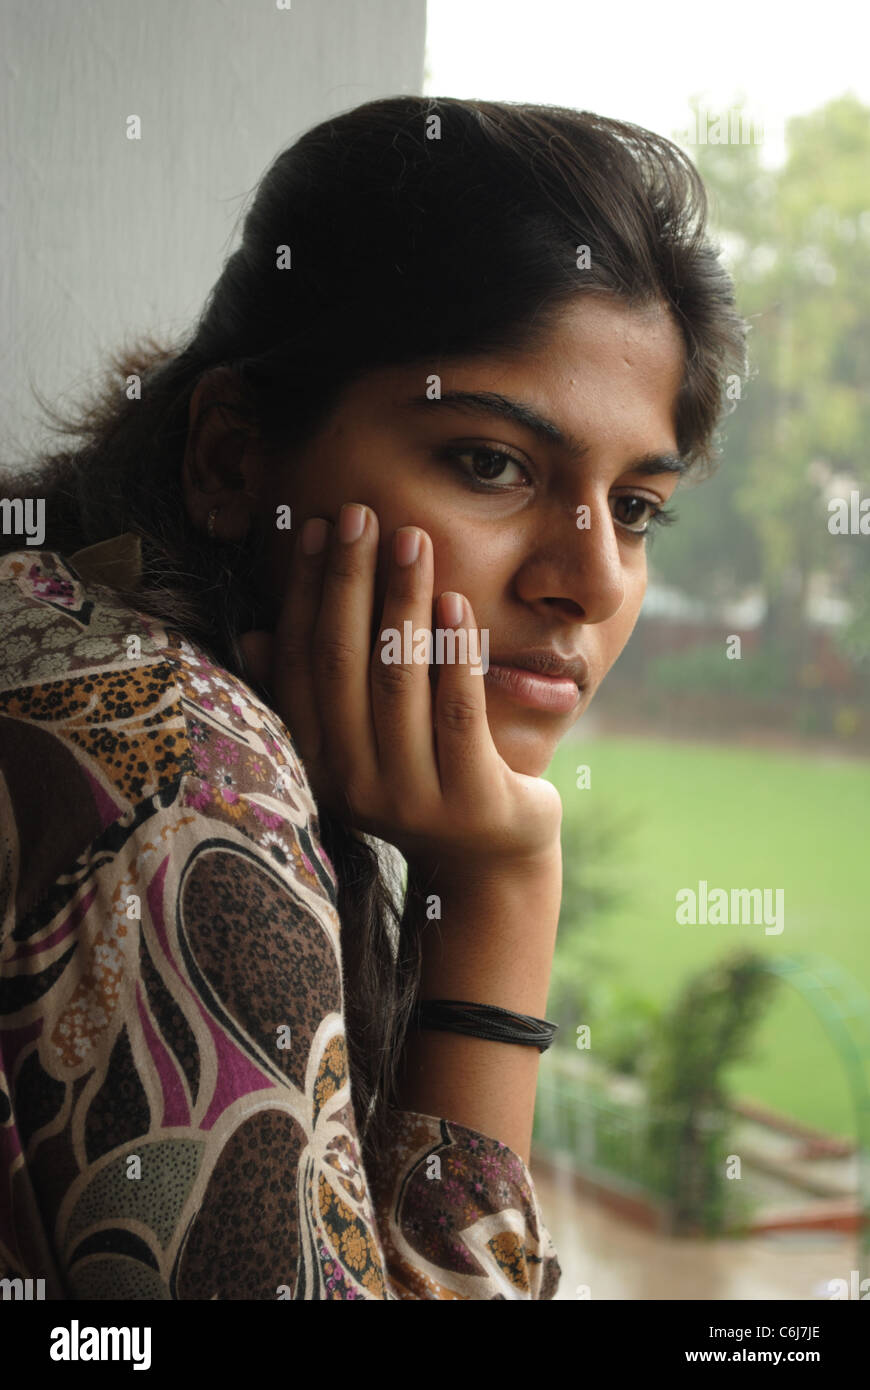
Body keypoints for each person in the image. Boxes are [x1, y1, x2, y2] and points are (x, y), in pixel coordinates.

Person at [0, 95, 746, 1300]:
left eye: (635, 507)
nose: (592, 579)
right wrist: (503, 890)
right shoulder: (187, 784)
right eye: (492, 464)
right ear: (235, 458)